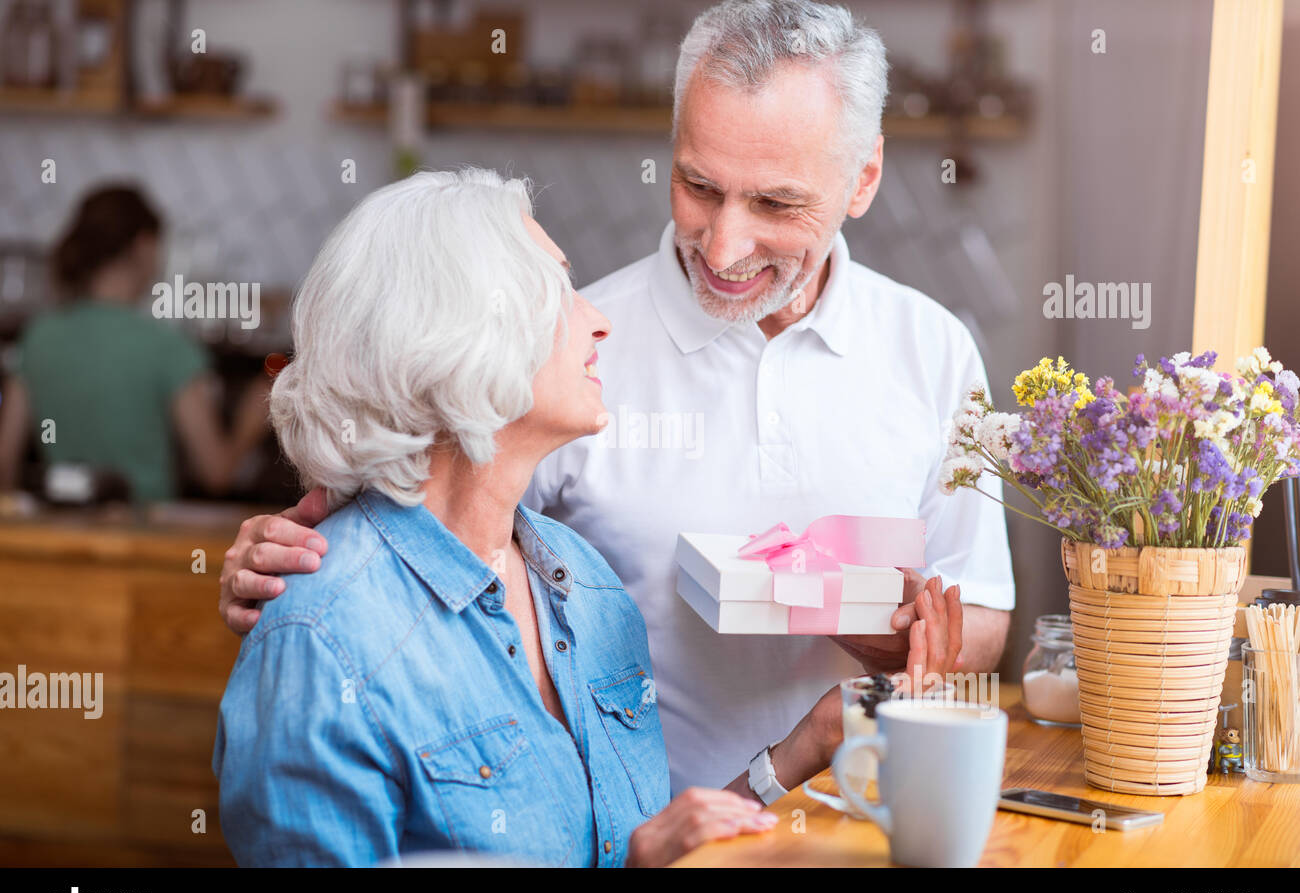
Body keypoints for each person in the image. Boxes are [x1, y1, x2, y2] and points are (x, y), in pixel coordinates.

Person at [216, 0, 1007, 798]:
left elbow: (986, 620)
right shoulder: (565, 357)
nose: (724, 247)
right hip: (633, 840)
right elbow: (411, 546)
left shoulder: (935, 352)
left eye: (775, 204)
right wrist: (293, 574)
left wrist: (889, 633)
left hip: (874, 824)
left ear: (863, 177)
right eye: (698, 185)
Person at [214, 169, 954, 866]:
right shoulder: (320, 642)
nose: (599, 321)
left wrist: (805, 745)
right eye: (559, 291)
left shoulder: (586, 586)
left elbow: (630, 854)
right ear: (456, 336)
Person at [0, 184, 268, 501]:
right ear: (144, 246)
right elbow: (216, 472)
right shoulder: (166, 347)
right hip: (143, 539)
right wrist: (253, 418)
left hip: (64, 535)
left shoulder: (39, 337)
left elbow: (5, 466)